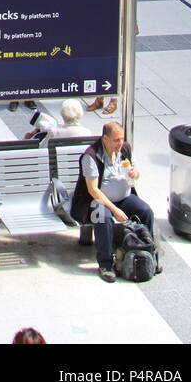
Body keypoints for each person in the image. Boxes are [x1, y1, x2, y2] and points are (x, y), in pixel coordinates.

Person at [69, 121, 155, 283]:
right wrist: (115, 210)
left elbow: (135, 172)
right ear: (105, 139)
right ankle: (106, 264)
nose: (120, 143)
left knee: (146, 211)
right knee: (104, 217)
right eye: (116, 140)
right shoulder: (91, 156)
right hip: (96, 201)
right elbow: (93, 190)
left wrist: (135, 174)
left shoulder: (125, 149)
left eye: (122, 139)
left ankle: (148, 253)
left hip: (124, 197)